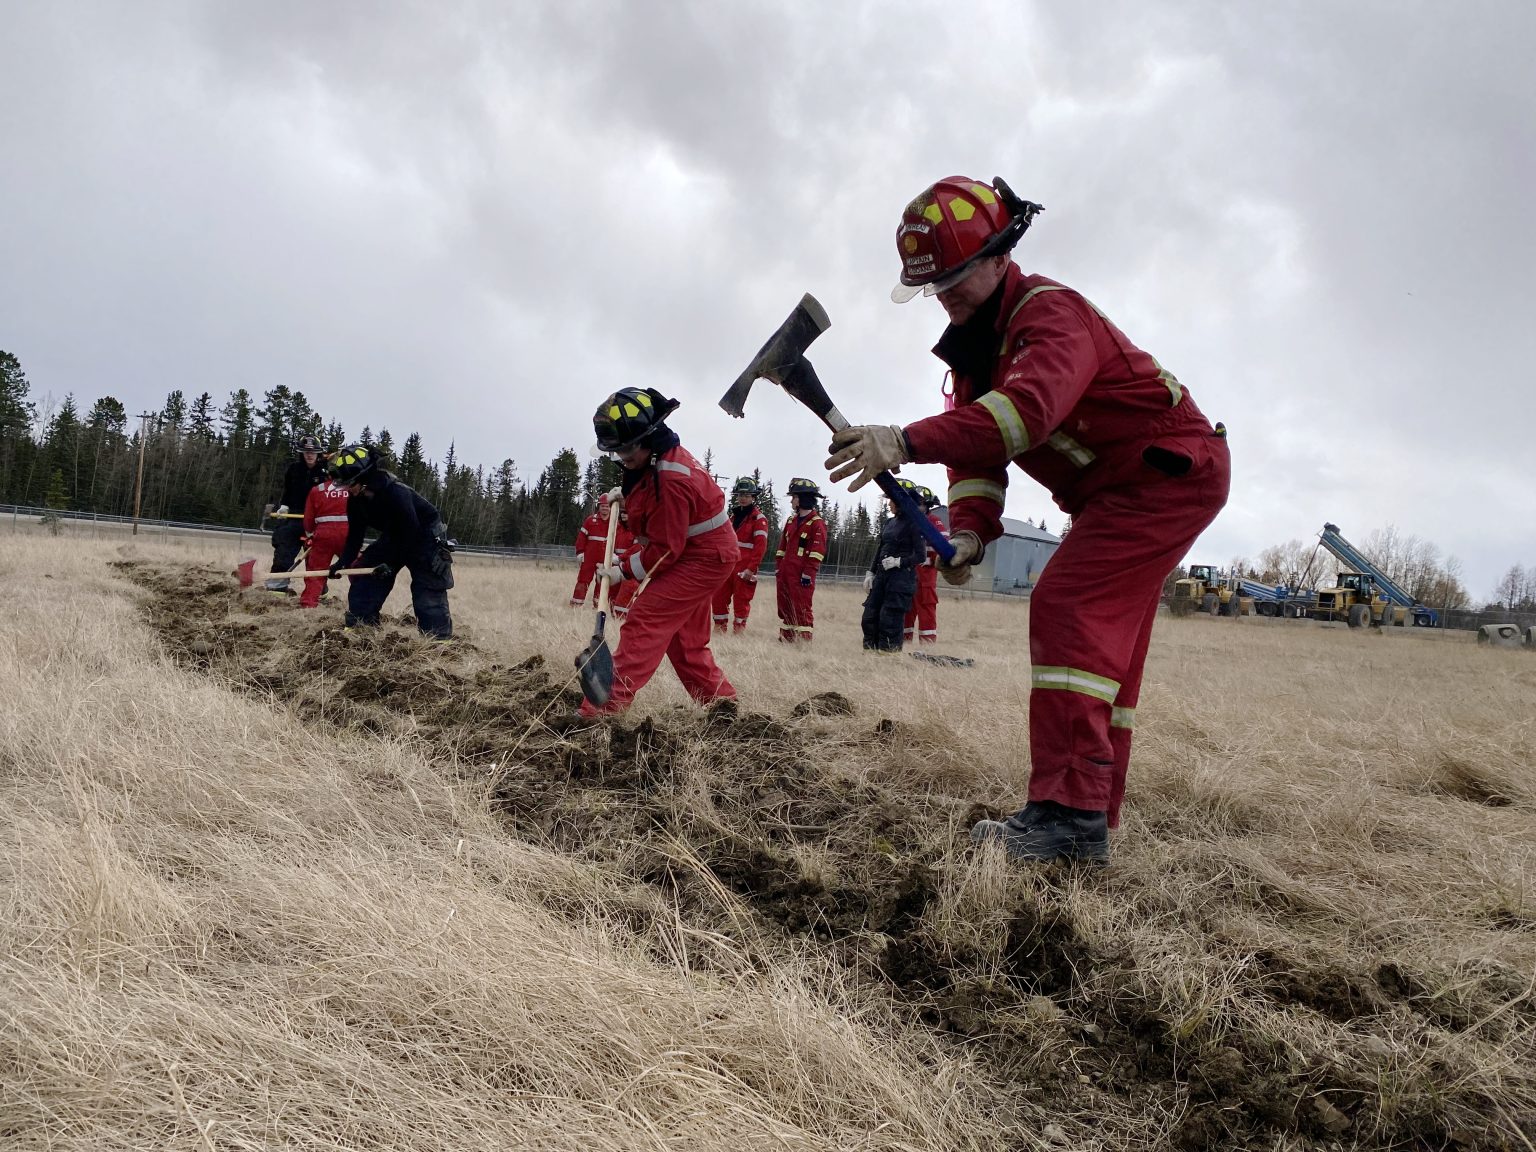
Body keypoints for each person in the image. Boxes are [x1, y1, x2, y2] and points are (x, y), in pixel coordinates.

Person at [825, 174, 1230, 865]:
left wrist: (904, 441)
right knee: (1106, 661)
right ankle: (1088, 816)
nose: (945, 297)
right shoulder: (975, 352)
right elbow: (978, 459)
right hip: (1120, 492)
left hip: (1164, 478)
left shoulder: (1049, 315)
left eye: (954, 278)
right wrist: (969, 534)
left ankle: (1067, 820)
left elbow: (1025, 416)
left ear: (999, 256)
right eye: (934, 288)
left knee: (1069, 606)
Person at [580, 387, 736, 716]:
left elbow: (666, 550)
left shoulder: (672, 478)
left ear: (649, 437)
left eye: (626, 449)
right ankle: (723, 708)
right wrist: (627, 496)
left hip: (703, 559)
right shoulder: (655, 462)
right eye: (617, 452)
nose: (623, 458)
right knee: (684, 644)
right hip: (699, 553)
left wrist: (623, 570)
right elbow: (653, 504)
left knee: (646, 619)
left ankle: (602, 711)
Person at [327, 443, 455, 640]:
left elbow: (410, 532)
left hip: (424, 535)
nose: (346, 489)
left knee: (427, 588)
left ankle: (437, 641)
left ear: (364, 479)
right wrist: (342, 562)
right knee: (368, 574)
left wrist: (389, 562)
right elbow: (355, 536)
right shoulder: (356, 500)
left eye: (349, 484)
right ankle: (361, 628)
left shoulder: (395, 492)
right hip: (396, 535)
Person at [862, 482, 928, 651]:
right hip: (882, 577)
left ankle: (888, 658)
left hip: (900, 580)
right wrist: (871, 572)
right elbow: (880, 547)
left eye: (891, 500)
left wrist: (899, 561)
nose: (889, 503)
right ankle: (870, 653)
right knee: (870, 616)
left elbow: (921, 556)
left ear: (901, 502)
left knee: (889, 620)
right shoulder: (889, 523)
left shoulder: (915, 524)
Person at [265, 435, 328, 594]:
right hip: (293, 517)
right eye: (306, 451)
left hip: (316, 520)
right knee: (283, 551)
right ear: (301, 453)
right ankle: (276, 588)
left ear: (318, 453)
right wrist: (284, 506)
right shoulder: (293, 469)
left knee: (315, 558)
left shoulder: (325, 472)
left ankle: (318, 591)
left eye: (313, 452)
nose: (309, 455)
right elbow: (287, 491)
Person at [711, 477, 771, 633]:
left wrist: (751, 569)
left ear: (753, 497)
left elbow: (760, 547)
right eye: (740, 495)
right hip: (727, 566)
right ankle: (719, 630)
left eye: (746, 495)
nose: (742, 498)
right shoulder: (732, 517)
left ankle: (739, 634)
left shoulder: (759, 519)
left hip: (745, 568)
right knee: (718, 598)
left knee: (741, 601)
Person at [774, 478, 828, 643]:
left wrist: (808, 573)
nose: (791, 500)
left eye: (794, 497)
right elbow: (782, 547)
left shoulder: (817, 523)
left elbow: (817, 551)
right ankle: (787, 638)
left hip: (801, 573)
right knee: (785, 605)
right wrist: (779, 567)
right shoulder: (791, 521)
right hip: (786, 571)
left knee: (801, 606)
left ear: (803, 498)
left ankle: (803, 641)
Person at [903, 485, 948, 645]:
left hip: (925, 577)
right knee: (905, 611)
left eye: (919, 503)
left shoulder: (934, 522)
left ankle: (927, 646)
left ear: (927, 505)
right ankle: (903, 643)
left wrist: (927, 560)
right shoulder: (909, 521)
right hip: (908, 575)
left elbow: (944, 548)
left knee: (926, 611)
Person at [298, 471, 350, 609]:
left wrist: (310, 535)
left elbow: (308, 521)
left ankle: (308, 605)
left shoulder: (317, 490)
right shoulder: (353, 489)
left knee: (315, 571)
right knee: (356, 569)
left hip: (323, 536)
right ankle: (363, 606)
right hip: (349, 535)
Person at [571, 498, 613, 607]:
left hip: (605, 558)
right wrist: (580, 552)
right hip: (589, 557)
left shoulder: (614, 523)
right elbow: (581, 537)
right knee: (583, 580)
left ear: (611, 508)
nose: (605, 508)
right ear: (599, 506)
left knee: (602, 583)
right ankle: (576, 605)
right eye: (603, 506)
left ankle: (598, 607)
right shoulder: (590, 520)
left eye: (607, 506)